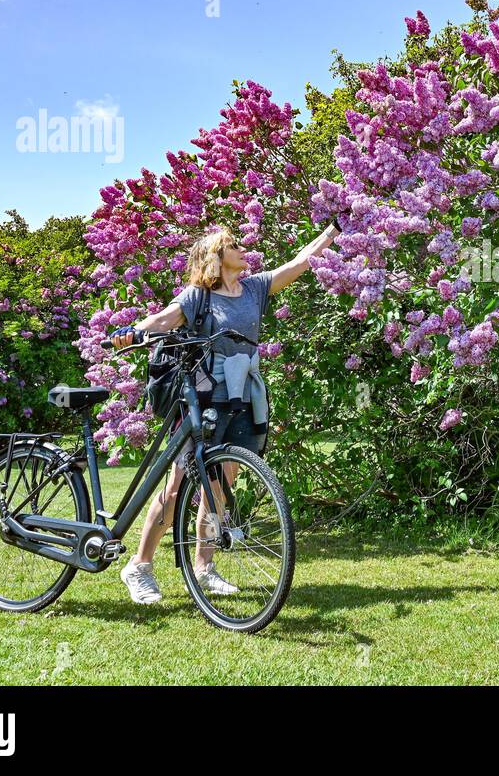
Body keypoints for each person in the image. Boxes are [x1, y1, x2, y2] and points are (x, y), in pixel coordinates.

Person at [108, 223, 337, 604]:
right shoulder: (199, 296)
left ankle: (204, 568)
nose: (242, 249)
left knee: (217, 489)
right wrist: (132, 331)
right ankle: (139, 566)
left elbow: (301, 262)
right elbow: (164, 319)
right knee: (178, 485)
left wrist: (332, 230)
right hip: (203, 398)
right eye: (233, 246)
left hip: (241, 396)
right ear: (215, 258)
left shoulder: (256, 288)